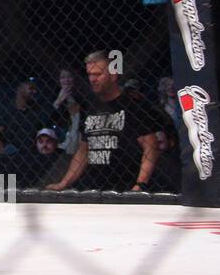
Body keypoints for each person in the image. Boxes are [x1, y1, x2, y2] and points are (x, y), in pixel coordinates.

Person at [46, 51, 164, 191]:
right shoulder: (91, 107)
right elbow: (84, 150)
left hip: (125, 185)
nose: (92, 79)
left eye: (97, 74)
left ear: (113, 75)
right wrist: (64, 183)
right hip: (94, 188)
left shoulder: (132, 105)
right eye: (90, 74)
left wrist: (139, 185)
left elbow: (150, 146)